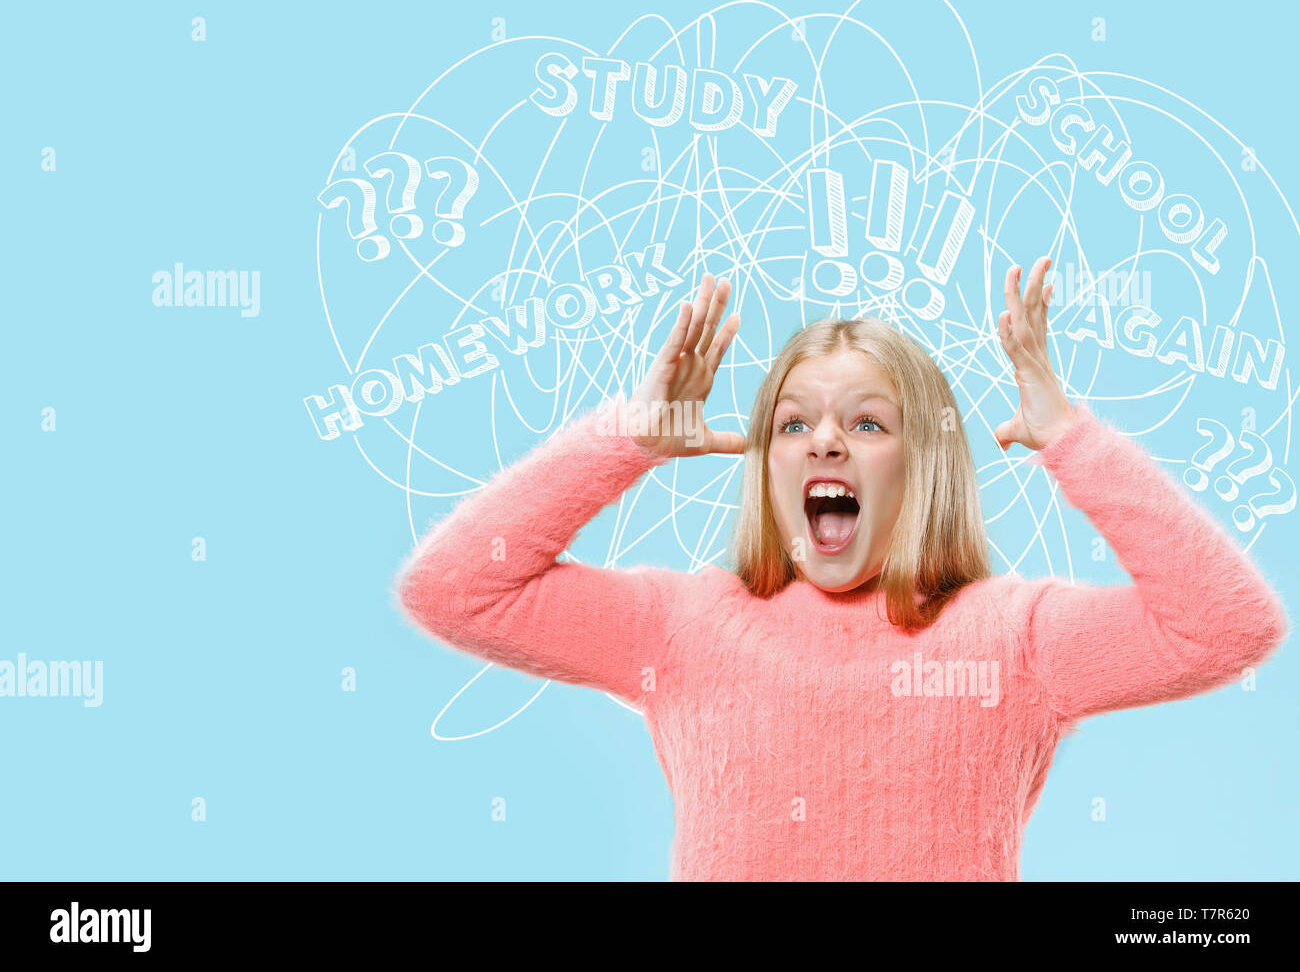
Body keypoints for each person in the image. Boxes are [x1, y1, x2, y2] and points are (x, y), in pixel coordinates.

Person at [392, 259, 1289, 881]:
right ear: (770, 466)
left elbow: (1227, 626)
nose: (825, 438)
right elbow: (454, 588)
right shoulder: (681, 627)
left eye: (867, 423)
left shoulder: (1013, 636)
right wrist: (625, 439)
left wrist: (1072, 438)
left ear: (923, 461)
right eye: (794, 424)